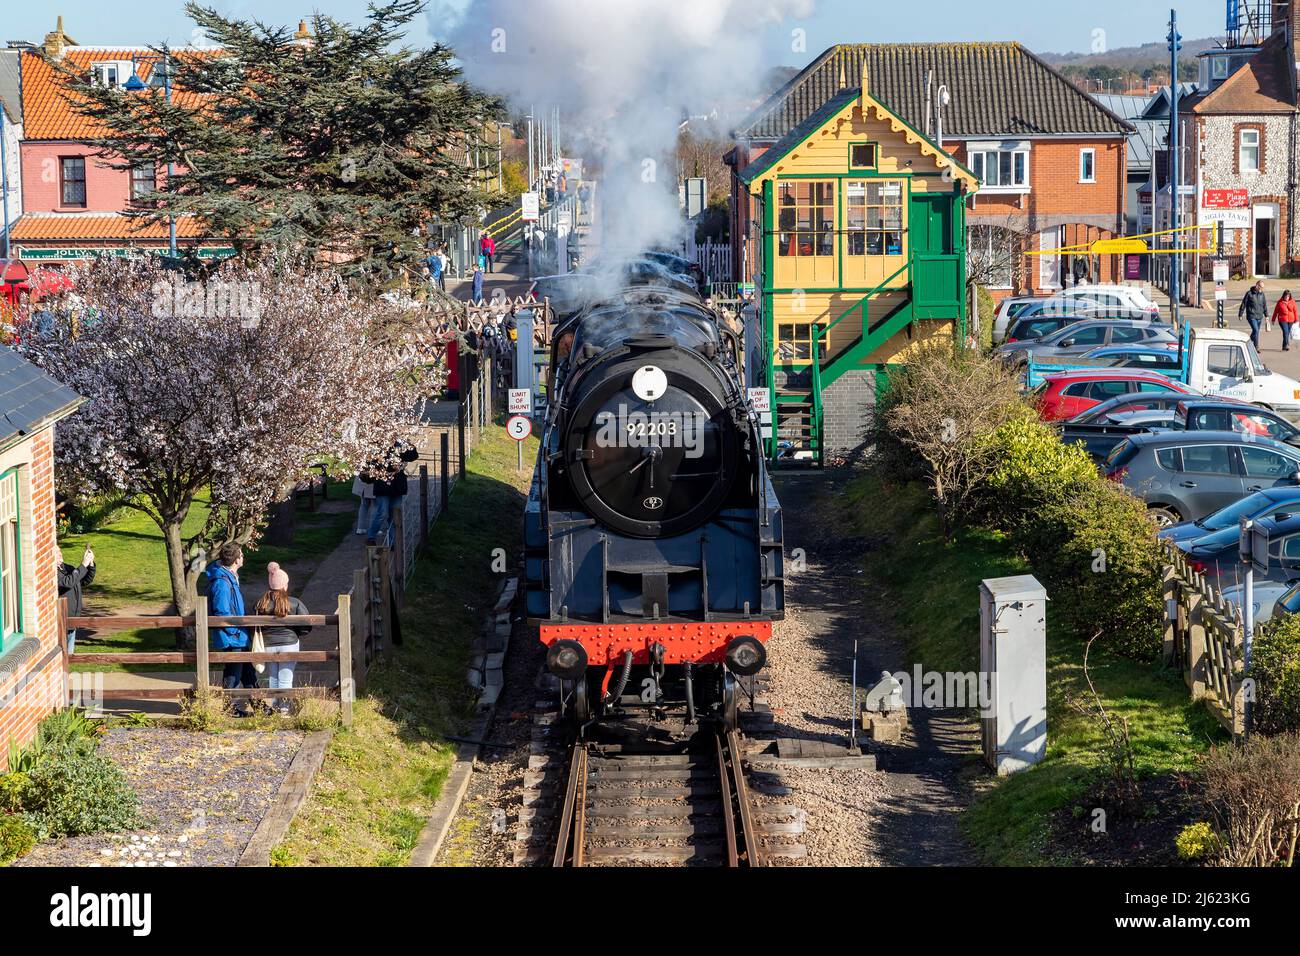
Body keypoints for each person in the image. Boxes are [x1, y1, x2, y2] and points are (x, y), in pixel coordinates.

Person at [254, 563, 312, 715]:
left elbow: (254, 624)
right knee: (286, 677)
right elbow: (306, 624)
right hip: (289, 644)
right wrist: (297, 633)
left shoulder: (261, 603)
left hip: (268, 645)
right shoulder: (294, 603)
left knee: (273, 676)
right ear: (285, 585)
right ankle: (284, 709)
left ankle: (275, 703)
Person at [207, 542, 255, 714]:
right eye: (241, 554)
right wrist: (234, 630)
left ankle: (257, 703)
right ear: (236, 559)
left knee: (248, 670)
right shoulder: (222, 582)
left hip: (238, 634)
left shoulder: (230, 577)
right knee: (233, 672)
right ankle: (230, 708)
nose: (243, 557)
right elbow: (221, 611)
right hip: (233, 636)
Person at [361, 441, 420, 545]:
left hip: (397, 485)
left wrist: (409, 444)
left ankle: (394, 542)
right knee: (382, 513)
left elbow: (413, 456)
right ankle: (371, 537)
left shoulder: (400, 445)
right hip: (382, 485)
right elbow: (370, 464)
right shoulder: (376, 445)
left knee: (394, 514)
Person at [56, 544, 96, 653]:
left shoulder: (68, 568)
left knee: (69, 655)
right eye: (56, 552)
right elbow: (68, 582)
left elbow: (84, 580)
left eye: (60, 551)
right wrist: (83, 564)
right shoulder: (51, 573)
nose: (60, 554)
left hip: (73, 620)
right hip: (60, 622)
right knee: (62, 655)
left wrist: (90, 565)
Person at [1240, 281, 1269, 349]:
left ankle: (1251, 344)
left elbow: (1264, 305)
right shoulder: (1249, 293)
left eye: (1262, 287)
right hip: (1251, 315)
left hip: (1259, 316)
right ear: (1256, 285)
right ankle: (1256, 346)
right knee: (1255, 330)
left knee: (1256, 332)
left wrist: (1266, 315)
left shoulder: (1262, 294)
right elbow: (1244, 303)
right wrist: (1240, 314)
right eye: (1260, 287)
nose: (1261, 289)